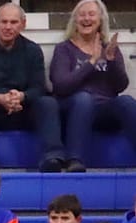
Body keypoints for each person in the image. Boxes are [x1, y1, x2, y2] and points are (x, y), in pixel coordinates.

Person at [0, 3, 72, 172]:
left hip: (22, 110)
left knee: (48, 103)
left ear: (23, 24)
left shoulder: (33, 50)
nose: (8, 27)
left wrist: (22, 97)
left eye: (13, 22)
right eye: (3, 22)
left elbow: (38, 88)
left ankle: (52, 157)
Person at [52, 0, 136, 167]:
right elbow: (61, 85)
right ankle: (74, 160)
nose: (86, 19)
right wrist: (91, 62)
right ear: (75, 20)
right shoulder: (64, 49)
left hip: (104, 109)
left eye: (91, 14)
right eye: (82, 15)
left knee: (126, 101)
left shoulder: (108, 48)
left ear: (100, 20)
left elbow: (120, 86)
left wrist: (111, 61)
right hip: (75, 108)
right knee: (84, 99)